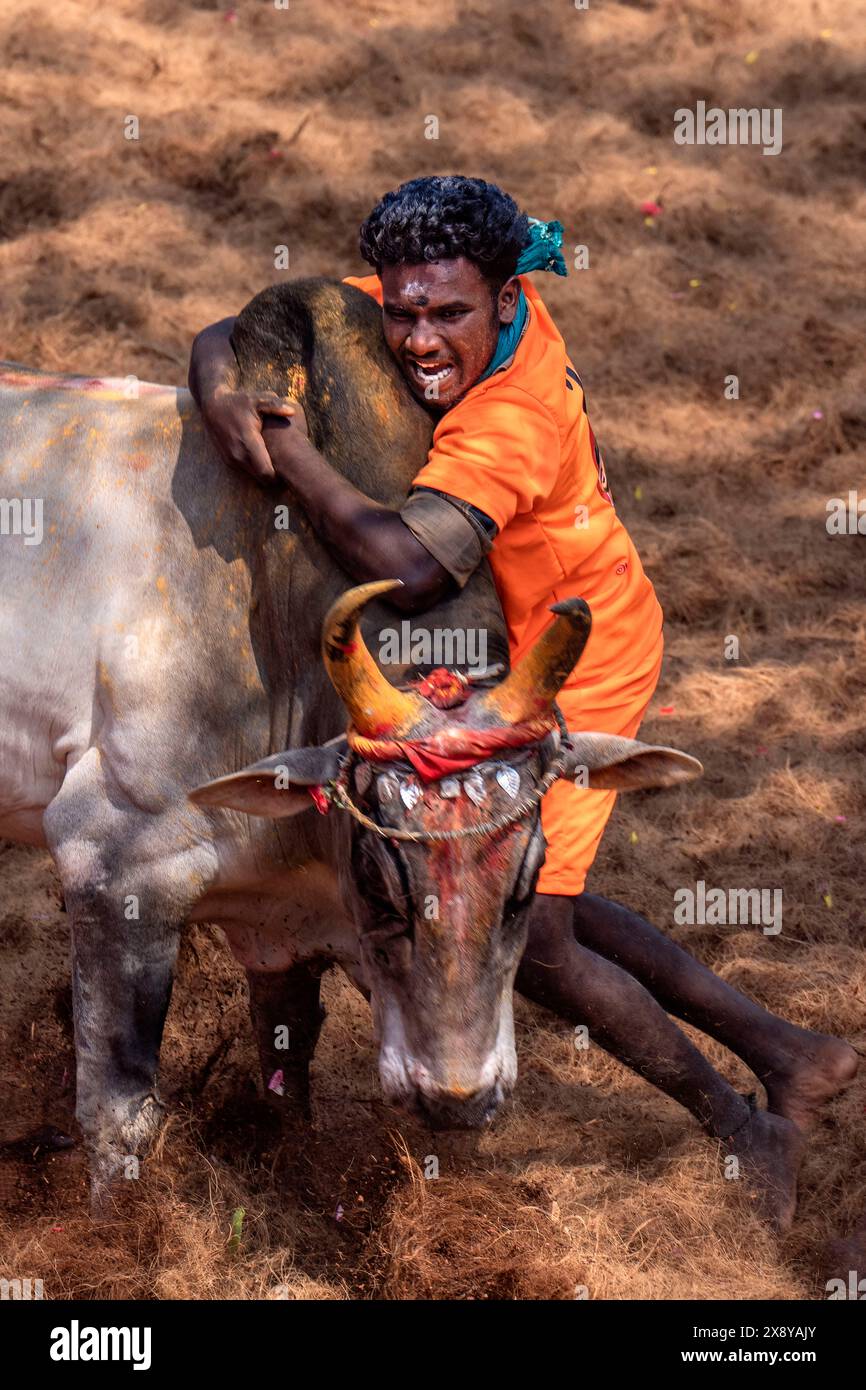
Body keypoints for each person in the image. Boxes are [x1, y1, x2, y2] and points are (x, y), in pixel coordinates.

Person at [189, 175, 856, 1228]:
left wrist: (299, 456)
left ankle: (744, 1122)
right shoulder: (435, 290)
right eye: (400, 312)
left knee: (537, 933)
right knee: (526, 882)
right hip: (513, 636)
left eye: (443, 315)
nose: (413, 339)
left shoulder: (513, 415)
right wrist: (221, 379)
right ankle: (790, 1051)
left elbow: (405, 564)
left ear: (505, 299)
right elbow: (251, 323)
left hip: (572, 658)